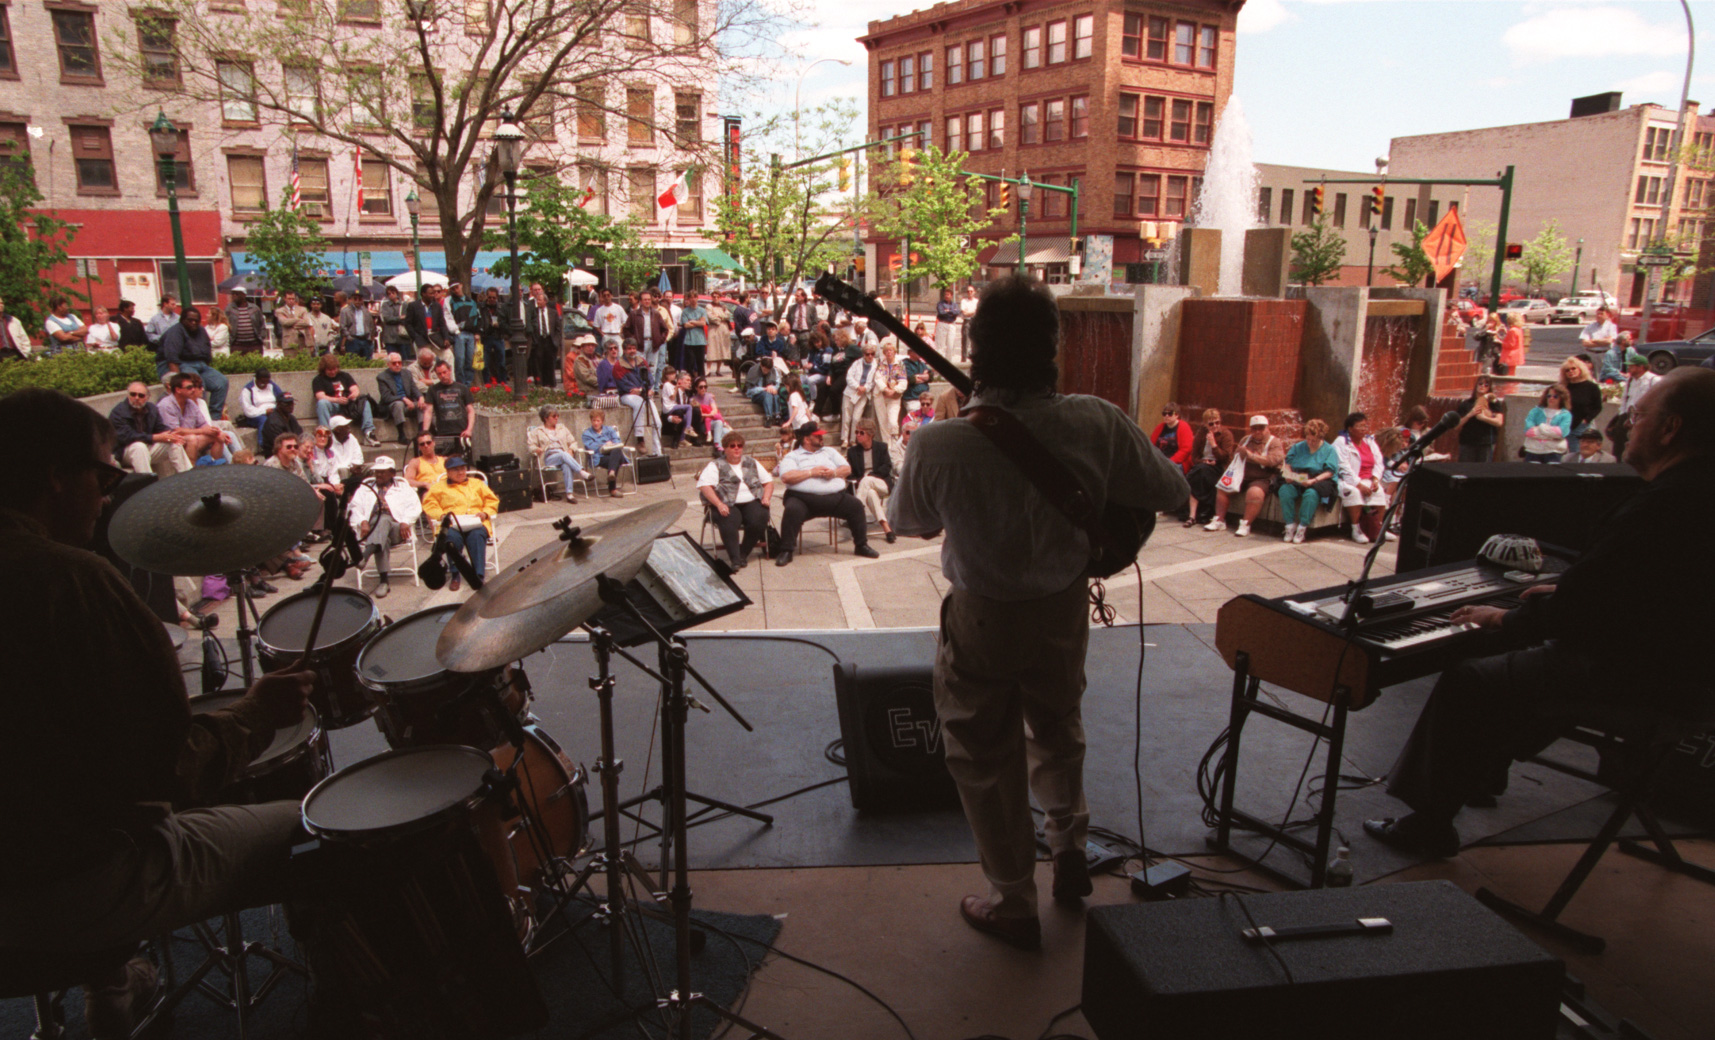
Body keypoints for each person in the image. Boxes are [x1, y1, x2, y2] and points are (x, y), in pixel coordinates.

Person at [0, 388, 314, 1038]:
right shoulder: (72, 581)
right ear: (55, 477)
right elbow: (166, 771)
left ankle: (112, 987)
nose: (107, 497)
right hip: (65, 889)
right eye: (105, 477)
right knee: (316, 829)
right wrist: (254, 714)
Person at [887, 277, 1188, 951]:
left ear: (976, 349)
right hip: (1061, 608)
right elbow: (1170, 490)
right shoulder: (1096, 420)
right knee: (1057, 725)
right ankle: (1070, 847)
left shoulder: (941, 442)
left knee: (982, 755)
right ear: (1052, 348)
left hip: (982, 617)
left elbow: (907, 521)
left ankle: (1013, 900)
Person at [1364, 367, 1715, 858]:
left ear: (1670, 428)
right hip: (1688, 677)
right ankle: (1480, 775)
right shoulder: (1698, 492)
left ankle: (1430, 824)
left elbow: (1579, 615)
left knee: (1472, 679)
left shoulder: (1662, 505)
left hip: (1638, 678)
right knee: (1518, 664)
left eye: (1638, 416)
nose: (1626, 426)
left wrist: (1504, 618)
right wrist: (1566, 589)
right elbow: (1644, 590)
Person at [774, 422, 876, 566]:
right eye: (817, 436)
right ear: (807, 439)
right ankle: (786, 550)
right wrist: (811, 472)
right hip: (803, 499)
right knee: (792, 509)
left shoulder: (829, 451)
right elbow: (786, 477)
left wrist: (833, 473)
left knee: (856, 506)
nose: (822, 438)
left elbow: (847, 469)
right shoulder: (793, 456)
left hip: (834, 497)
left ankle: (861, 545)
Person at [348, 456, 421, 599]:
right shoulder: (365, 488)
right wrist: (363, 521)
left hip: (398, 529)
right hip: (371, 529)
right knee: (383, 536)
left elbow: (415, 507)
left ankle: (365, 555)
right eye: (377, 471)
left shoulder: (403, 487)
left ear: (392, 473)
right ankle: (384, 582)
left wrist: (406, 521)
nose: (378, 475)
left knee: (384, 518)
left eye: (383, 472)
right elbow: (354, 507)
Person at [698, 432, 773, 569]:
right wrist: (719, 504)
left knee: (760, 516)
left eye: (740, 445)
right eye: (732, 446)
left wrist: (766, 497)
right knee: (728, 519)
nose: (737, 448)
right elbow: (705, 486)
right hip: (725, 503)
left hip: (751, 500)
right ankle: (735, 559)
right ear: (725, 448)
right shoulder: (716, 465)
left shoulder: (752, 462)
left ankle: (743, 554)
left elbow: (768, 482)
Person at [421, 456, 497, 589]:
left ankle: (478, 575)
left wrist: (485, 513)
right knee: (451, 539)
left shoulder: (477, 484)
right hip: (453, 524)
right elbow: (430, 504)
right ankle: (455, 574)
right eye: (456, 470)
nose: (461, 472)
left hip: (475, 522)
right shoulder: (438, 487)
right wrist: (441, 515)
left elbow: (492, 500)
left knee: (476, 536)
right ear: (448, 472)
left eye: (463, 469)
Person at [1206, 415, 1282, 538]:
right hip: (1242, 474)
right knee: (1222, 487)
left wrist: (1251, 456)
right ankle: (1219, 520)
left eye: (1261, 428)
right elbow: (1236, 456)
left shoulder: (1274, 442)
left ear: (1267, 428)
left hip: (1262, 477)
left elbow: (1272, 461)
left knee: (1254, 493)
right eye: (1254, 429)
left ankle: (1246, 524)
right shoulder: (1246, 440)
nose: (1257, 431)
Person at [109, 381, 192, 477]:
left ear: (147, 397)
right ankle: (149, 482)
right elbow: (127, 437)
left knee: (173, 442)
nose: (136, 398)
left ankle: (188, 477)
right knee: (139, 446)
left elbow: (160, 427)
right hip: (125, 452)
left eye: (141, 395)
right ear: (128, 395)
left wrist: (172, 435)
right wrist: (155, 437)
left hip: (147, 448)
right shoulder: (118, 412)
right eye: (133, 394)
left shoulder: (151, 409)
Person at [158, 307, 230, 416]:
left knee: (222, 382)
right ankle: (199, 417)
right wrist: (178, 381)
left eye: (196, 320)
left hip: (201, 365)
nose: (193, 323)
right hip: (181, 364)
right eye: (190, 320)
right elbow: (172, 359)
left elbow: (207, 353)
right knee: (198, 385)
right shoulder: (175, 332)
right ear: (182, 320)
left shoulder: (201, 331)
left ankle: (215, 417)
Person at [1276, 418, 1338, 544]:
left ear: (1321, 438)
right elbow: (1287, 463)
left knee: (1311, 494)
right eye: (1308, 439)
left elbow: (1330, 471)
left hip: (1318, 478)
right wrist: (1288, 474)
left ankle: (1302, 527)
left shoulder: (1329, 450)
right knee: (1285, 490)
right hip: (1299, 476)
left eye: (1314, 440)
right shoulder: (1298, 447)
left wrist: (1313, 481)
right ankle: (1289, 525)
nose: (1310, 442)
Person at [1334, 412, 1388, 543]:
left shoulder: (1369, 441)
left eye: (1365, 426)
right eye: (1360, 426)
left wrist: (1375, 479)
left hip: (1367, 479)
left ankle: (1378, 528)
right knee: (1354, 492)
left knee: (1379, 492)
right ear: (1350, 429)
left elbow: (1379, 461)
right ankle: (1356, 529)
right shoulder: (1341, 442)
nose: (1364, 429)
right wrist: (1358, 484)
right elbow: (1343, 467)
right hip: (1347, 480)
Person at [156, 372, 228, 462]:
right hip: (170, 441)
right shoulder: (166, 405)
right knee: (192, 439)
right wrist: (202, 431)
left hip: (189, 438)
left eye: (193, 386)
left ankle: (215, 464)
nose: (193, 390)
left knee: (219, 436)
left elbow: (203, 424)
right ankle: (191, 469)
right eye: (189, 387)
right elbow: (175, 431)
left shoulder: (190, 403)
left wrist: (214, 431)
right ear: (178, 390)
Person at [311, 353, 380, 446]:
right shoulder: (318, 380)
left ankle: (369, 432)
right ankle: (327, 434)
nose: (333, 372)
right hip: (333, 406)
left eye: (334, 369)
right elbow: (320, 396)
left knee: (364, 401)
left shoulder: (344, 376)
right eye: (330, 370)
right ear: (324, 369)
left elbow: (355, 389)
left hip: (348, 406)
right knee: (322, 403)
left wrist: (352, 395)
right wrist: (336, 400)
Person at [847, 418, 897, 543]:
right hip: (864, 487)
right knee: (870, 494)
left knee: (867, 480)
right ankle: (887, 529)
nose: (858, 435)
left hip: (881, 482)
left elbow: (887, 467)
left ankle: (855, 511)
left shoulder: (881, 447)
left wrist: (871, 476)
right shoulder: (852, 452)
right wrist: (861, 479)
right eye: (856, 432)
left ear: (870, 434)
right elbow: (850, 474)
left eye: (861, 433)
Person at [528, 406, 589, 501]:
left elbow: (573, 442)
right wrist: (536, 449)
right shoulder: (537, 431)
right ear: (546, 418)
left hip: (564, 455)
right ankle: (582, 472)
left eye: (557, 415)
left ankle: (569, 494)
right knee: (563, 454)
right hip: (548, 457)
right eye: (554, 416)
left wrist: (571, 449)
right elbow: (531, 446)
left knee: (566, 464)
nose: (557, 418)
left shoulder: (562, 428)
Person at [1611, 349, 1660, 460]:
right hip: (1627, 416)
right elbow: (1625, 398)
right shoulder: (1630, 381)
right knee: (1619, 444)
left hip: (1643, 418)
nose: (1628, 368)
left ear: (1641, 367)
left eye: (1631, 366)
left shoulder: (1654, 380)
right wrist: (1622, 414)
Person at [616, 341, 662, 453]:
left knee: (657, 422)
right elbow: (624, 385)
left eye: (633, 348)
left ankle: (658, 452)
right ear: (624, 350)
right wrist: (641, 391)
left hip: (643, 393)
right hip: (627, 395)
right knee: (638, 404)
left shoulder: (642, 362)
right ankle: (640, 438)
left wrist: (647, 389)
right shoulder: (619, 365)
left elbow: (649, 378)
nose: (632, 351)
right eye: (629, 348)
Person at [376, 351, 428, 444]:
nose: (397, 365)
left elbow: (414, 388)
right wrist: (403, 399)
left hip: (408, 405)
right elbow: (386, 397)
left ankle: (421, 433)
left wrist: (420, 397)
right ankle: (401, 435)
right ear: (388, 364)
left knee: (422, 405)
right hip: (391, 406)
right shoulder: (382, 377)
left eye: (399, 363)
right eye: (394, 363)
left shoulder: (407, 373)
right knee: (398, 404)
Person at [1455, 375, 1505, 463]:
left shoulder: (1494, 404)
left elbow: (1499, 422)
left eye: (1486, 385)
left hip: (1486, 443)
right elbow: (1456, 426)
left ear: (1489, 388)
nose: (1483, 386)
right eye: (1480, 384)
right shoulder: (1466, 404)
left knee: (1482, 469)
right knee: (1465, 468)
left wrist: (1483, 418)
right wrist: (1469, 415)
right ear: (1476, 385)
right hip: (1467, 442)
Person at [841, 340, 881, 444]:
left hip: (863, 394)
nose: (870, 356)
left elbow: (874, 381)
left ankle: (853, 439)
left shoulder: (876, 365)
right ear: (864, 354)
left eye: (872, 354)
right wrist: (857, 386)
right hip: (851, 392)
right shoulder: (857, 363)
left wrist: (865, 388)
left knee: (856, 418)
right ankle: (844, 439)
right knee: (846, 417)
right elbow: (849, 377)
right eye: (868, 354)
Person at [406, 284, 453, 370]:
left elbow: (442, 324)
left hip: (435, 338)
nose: (433, 295)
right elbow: (408, 324)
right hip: (421, 339)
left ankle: (449, 377)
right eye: (431, 293)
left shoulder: (437, 306)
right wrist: (415, 337)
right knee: (427, 360)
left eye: (434, 293)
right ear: (423, 294)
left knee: (448, 355)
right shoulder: (413, 306)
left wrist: (446, 338)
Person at [1523, 385, 1573, 464]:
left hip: (1554, 452)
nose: (1551, 398)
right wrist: (1551, 434)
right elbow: (1528, 431)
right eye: (1549, 396)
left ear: (1562, 398)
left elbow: (1561, 433)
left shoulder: (1566, 414)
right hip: (1533, 451)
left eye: (1555, 396)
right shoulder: (1535, 411)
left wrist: (1541, 427)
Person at [523, 282, 561, 387]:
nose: (538, 302)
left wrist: (556, 341)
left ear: (545, 301)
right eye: (537, 300)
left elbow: (558, 329)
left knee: (550, 364)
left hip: (550, 341)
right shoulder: (534, 312)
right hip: (538, 341)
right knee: (538, 364)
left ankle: (551, 385)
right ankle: (539, 385)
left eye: (540, 300)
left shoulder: (553, 312)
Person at [583, 410, 628, 497]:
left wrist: (612, 444)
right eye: (593, 420)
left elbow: (617, 441)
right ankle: (612, 487)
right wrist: (604, 445)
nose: (595, 423)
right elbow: (591, 446)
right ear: (591, 421)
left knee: (616, 450)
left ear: (602, 421)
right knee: (615, 460)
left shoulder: (610, 430)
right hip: (599, 457)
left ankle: (611, 474)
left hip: (614, 454)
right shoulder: (587, 433)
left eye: (598, 421)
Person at [874, 340, 909, 447]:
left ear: (894, 352)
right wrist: (885, 389)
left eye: (891, 350)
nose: (889, 352)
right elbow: (878, 378)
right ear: (884, 352)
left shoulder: (900, 364)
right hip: (881, 396)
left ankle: (895, 445)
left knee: (893, 422)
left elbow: (903, 382)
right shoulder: (881, 363)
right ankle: (887, 447)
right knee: (883, 423)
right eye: (887, 351)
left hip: (894, 397)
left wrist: (894, 390)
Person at [1559, 357, 1602, 438]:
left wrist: (1586, 420)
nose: (1570, 371)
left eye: (1573, 368)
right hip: (1566, 425)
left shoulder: (1591, 386)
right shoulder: (1563, 388)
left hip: (1583, 426)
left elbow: (1597, 407)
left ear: (1580, 369)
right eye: (1567, 370)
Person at [447, 282, 479, 385]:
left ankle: (468, 384)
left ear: (461, 285)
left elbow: (477, 317)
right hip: (459, 333)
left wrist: (477, 332)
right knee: (460, 360)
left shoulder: (471, 301)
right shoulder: (451, 302)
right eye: (453, 289)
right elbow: (448, 317)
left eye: (457, 287)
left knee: (470, 360)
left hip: (471, 333)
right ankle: (460, 383)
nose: (456, 290)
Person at [1150, 403, 1194, 475]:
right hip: (1160, 460)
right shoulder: (1159, 428)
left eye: (1170, 414)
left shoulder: (1184, 427)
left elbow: (1186, 449)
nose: (1166, 416)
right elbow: (1151, 445)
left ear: (1177, 415)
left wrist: (1170, 461)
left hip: (1177, 462)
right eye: (1164, 414)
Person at [1580, 306, 1621, 383]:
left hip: (1604, 354)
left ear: (1607, 315)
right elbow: (1585, 343)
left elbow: (1609, 341)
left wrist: (1593, 340)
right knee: (1590, 376)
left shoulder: (1611, 326)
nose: (1599, 316)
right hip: (1591, 354)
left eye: (1601, 314)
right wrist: (1602, 342)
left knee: (1603, 376)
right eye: (1597, 314)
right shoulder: (1589, 327)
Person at [745, 350, 785, 426]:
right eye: (764, 370)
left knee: (775, 395)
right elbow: (749, 390)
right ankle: (769, 417)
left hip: (770, 392)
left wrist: (773, 388)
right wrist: (764, 389)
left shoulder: (774, 371)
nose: (766, 372)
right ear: (761, 366)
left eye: (768, 370)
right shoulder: (753, 371)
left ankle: (777, 416)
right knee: (767, 394)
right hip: (757, 395)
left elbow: (778, 383)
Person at [258, 392, 302, 459]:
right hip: (276, 456)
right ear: (278, 404)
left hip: (291, 451)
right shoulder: (273, 422)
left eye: (292, 403)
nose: (290, 406)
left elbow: (300, 435)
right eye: (287, 404)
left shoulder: (291, 418)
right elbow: (281, 445)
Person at [226, 288, 268, 355]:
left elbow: (262, 324)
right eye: (232, 294)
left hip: (254, 345)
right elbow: (225, 324)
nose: (234, 296)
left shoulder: (254, 308)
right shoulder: (229, 309)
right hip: (237, 345)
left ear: (244, 295)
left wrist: (261, 337)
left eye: (236, 294)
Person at [338, 290, 375, 360]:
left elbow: (371, 325)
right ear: (351, 299)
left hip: (365, 340)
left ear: (362, 300)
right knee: (353, 361)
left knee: (367, 361)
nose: (357, 301)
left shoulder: (366, 311)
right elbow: (343, 327)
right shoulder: (346, 311)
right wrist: (349, 337)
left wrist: (370, 338)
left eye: (359, 299)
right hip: (353, 340)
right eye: (355, 299)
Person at [678, 293, 709, 377]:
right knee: (690, 364)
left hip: (700, 341)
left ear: (697, 298)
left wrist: (692, 321)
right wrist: (698, 322)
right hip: (689, 341)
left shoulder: (702, 310)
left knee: (700, 365)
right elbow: (685, 325)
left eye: (694, 297)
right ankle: (691, 381)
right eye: (691, 297)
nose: (693, 299)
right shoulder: (685, 311)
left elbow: (703, 323)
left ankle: (702, 381)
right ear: (688, 299)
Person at [692, 376, 728, 448]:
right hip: (702, 424)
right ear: (696, 388)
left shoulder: (709, 397)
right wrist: (709, 414)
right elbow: (699, 415)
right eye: (701, 387)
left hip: (712, 421)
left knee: (724, 429)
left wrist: (706, 414)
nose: (703, 389)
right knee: (720, 425)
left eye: (705, 387)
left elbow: (714, 410)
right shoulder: (693, 399)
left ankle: (718, 445)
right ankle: (718, 446)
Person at [379, 285, 410, 357]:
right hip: (390, 338)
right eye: (389, 294)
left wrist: (395, 319)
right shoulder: (385, 305)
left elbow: (406, 318)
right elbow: (387, 319)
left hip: (403, 337)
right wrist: (399, 318)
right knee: (392, 358)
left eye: (393, 293)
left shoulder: (404, 304)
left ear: (396, 293)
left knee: (405, 359)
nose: (391, 295)